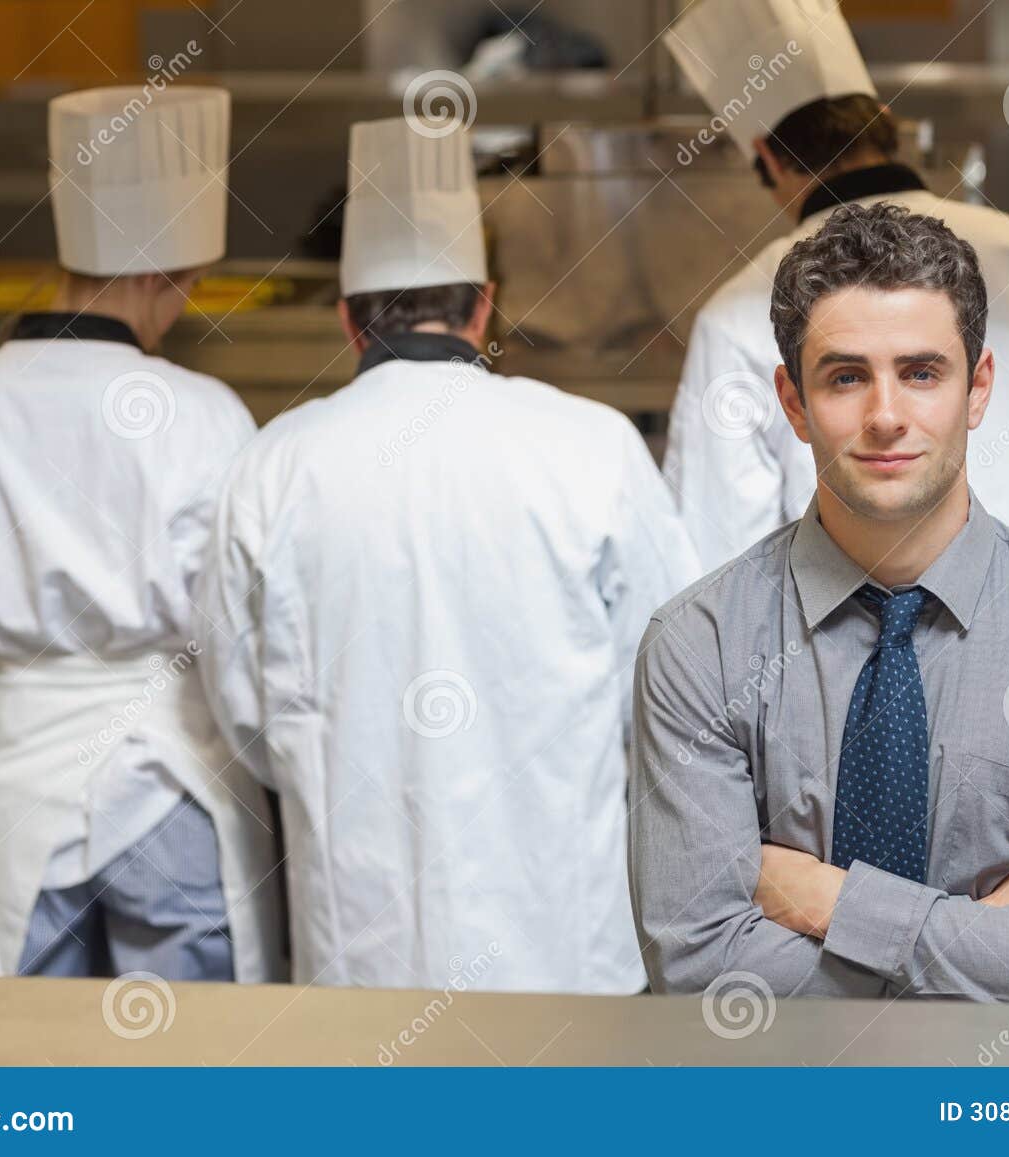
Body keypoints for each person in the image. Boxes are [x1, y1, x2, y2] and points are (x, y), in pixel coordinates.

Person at [196, 116, 700, 993]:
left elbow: (241, 708)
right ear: (485, 305)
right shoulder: (591, 443)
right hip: (562, 936)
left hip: (361, 934)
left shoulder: (273, 463)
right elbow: (670, 679)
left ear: (350, 322)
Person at [629, 203, 1009, 1002]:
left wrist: (826, 901)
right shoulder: (699, 646)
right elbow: (700, 969)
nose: (886, 416)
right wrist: (991, 932)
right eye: (846, 376)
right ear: (792, 401)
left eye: (921, 372)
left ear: (978, 387)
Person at [0, 86, 282, 982]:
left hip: (16, 781)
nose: (181, 307)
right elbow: (238, 621)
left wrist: (28, 676)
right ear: (154, 276)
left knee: (20, 1072)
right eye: (183, 286)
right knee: (190, 1079)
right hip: (171, 778)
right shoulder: (204, 412)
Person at [662, 0, 1009, 576]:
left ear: (768, 160)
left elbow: (719, 548)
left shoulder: (741, 308)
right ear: (884, 121)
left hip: (848, 653)